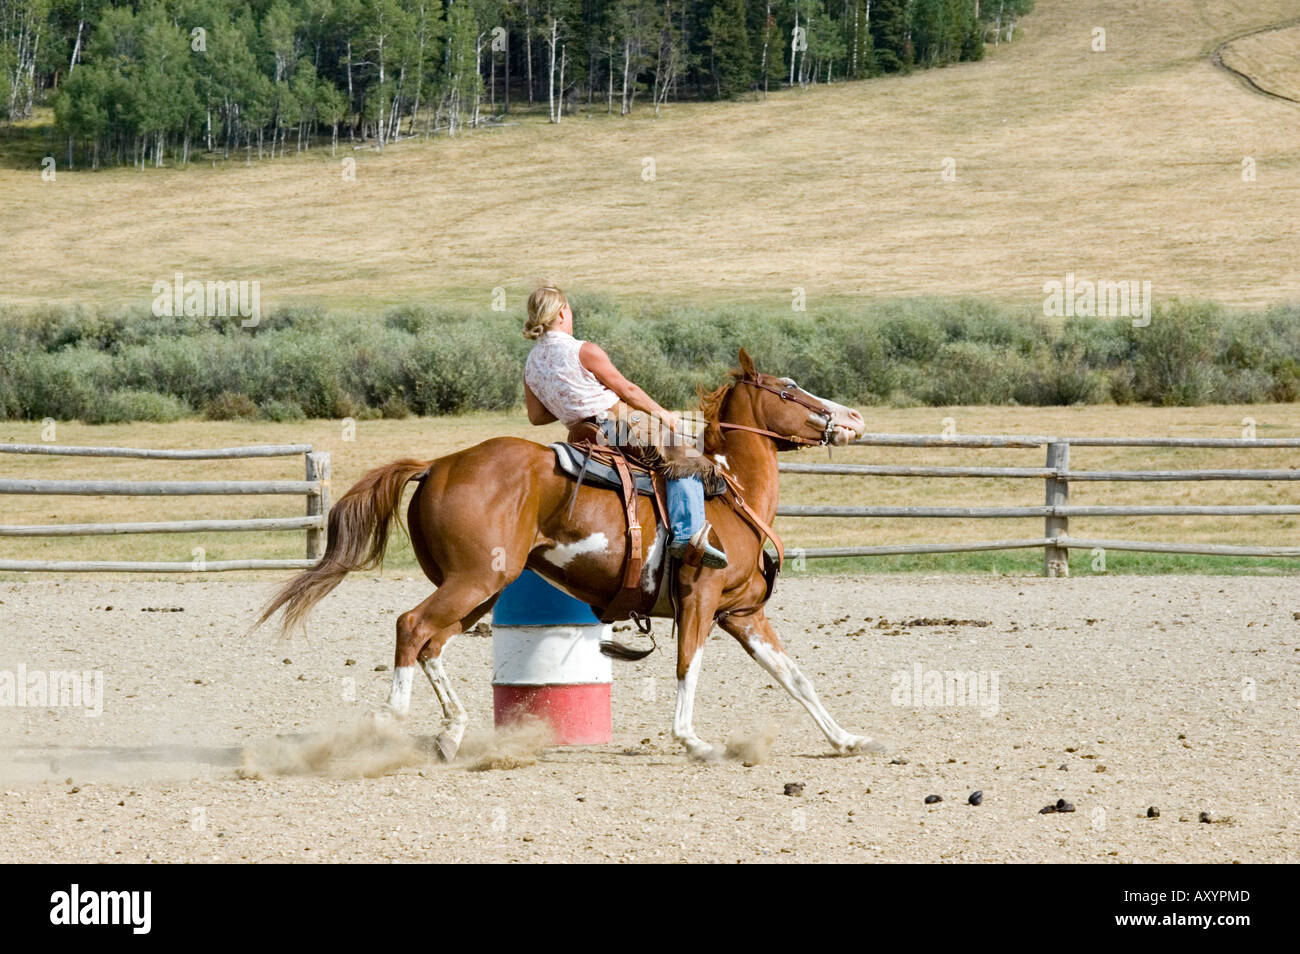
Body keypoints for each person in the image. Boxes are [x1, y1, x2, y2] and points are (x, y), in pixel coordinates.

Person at [522, 284, 726, 569]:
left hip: (580, 434)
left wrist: (570, 401)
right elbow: (628, 390)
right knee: (687, 456)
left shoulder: (531, 364)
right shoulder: (584, 350)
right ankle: (687, 535)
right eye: (568, 309)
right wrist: (664, 415)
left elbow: (537, 417)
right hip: (617, 423)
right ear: (561, 312)